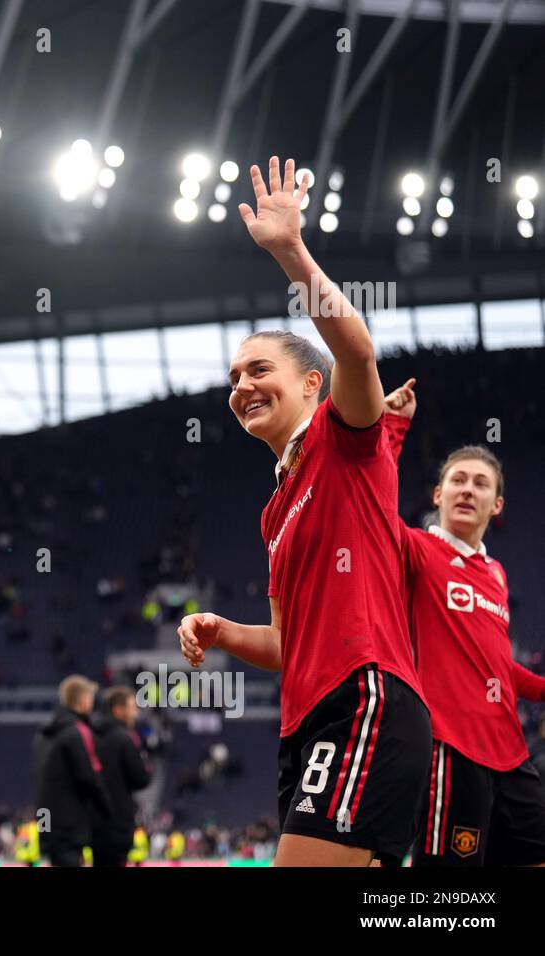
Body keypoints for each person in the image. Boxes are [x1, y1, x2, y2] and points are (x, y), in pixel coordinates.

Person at [177, 156, 431, 866]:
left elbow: (357, 349)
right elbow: (291, 647)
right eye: (232, 377)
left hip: (365, 701)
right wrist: (223, 630)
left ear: (311, 384)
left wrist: (290, 251)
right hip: (307, 720)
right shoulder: (274, 512)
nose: (242, 386)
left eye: (260, 370)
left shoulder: (344, 437)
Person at [381, 378, 545, 866]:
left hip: (512, 755)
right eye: (458, 480)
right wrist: (392, 428)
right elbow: (371, 505)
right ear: (438, 493)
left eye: (480, 483)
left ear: (497, 506)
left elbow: (498, 666)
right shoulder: (416, 549)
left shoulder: (496, 573)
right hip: (449, 750)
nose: (467, 489)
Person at [33, 676, 112, 867]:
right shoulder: (76, 732)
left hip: (47, 819)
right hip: (69, 823)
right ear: (83, 700)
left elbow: (39, 779)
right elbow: (89, 776)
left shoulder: (44, 735)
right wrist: (108, 809)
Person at [90, 686, 152, 867]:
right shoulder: (125, 738)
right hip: (118, 824)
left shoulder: (90, 736)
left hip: (94, 823)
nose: (136, 713)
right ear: (118, 710)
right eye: (133, 707)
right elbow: (141, 778)